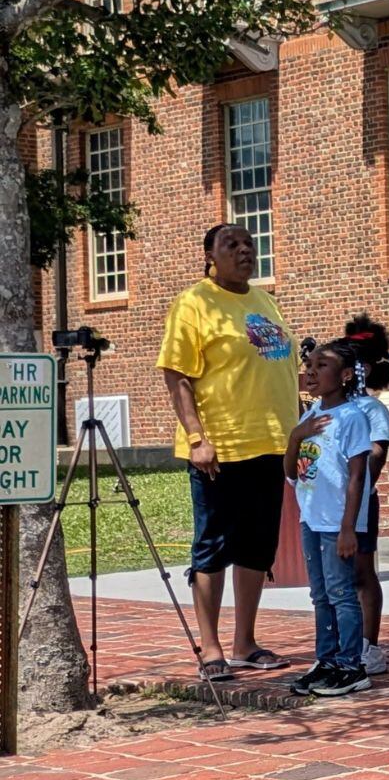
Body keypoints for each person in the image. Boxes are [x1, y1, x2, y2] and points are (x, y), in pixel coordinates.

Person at [159, 224, 301, 681]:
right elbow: (177, 374)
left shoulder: (263, 300)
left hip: (271, 442)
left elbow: (281, 368)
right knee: (214, 545)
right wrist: (198, 437)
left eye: (249, 244)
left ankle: (245, 642)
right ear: (209, 255)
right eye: (231, 245)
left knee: (258, 546)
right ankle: (212, 648)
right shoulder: (195, 302)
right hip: (221, 446)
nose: (244, 250)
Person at [283, 341, 373, 698]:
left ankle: (352, 664)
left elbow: (356, 476)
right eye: (310, 365)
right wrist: (295, 437)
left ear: (345, 375)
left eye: (322, 366)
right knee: (320, 595)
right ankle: (328, 660)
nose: (311, 371)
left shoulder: (352, 417)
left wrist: (349, 527)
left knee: (341, 594)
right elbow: (291, 472)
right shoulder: (310, 415)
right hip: (311, 519)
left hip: (337, 522)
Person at [339, 315, 389, 676]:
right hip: (328, 505)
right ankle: (340, 641)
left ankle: (368, 645)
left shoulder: (371, 409)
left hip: (358, 503)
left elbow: (375, 457)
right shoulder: (331, 406)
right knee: (335, 578)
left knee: (361, 572)